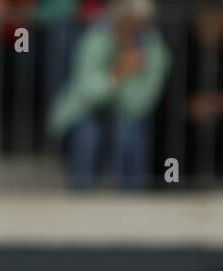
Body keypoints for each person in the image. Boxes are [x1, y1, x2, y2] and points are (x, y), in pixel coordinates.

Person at [50, 0, 170, 189]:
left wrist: (119, 82)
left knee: (129, 129)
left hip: (126, 119)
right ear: (118, 20)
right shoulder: (95, 39)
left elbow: (140, 105)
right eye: (129, 22)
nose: (134, 30)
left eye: (141, 24)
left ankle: (131, 200)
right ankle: (81, 199)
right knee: (89, 132)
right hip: (81, 118)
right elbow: (88, 95)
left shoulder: (155, 50)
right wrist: (118, 75)